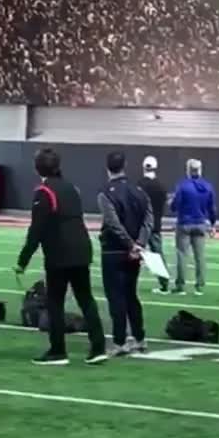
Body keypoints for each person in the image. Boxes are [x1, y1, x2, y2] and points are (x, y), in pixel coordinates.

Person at [14, 148, 107, 366]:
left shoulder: (44, 192)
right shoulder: (71, 188)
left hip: (60, 254)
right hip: (82, 249)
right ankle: (98, 347)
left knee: (54, 302)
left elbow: (36, 230)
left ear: (38, 168)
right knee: (86, 299)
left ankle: (58, 351)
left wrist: (22, 261)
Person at [97, 151, 154, 356]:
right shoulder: (139, 191)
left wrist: (130, 244)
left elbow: (112, 223)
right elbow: (149, 220)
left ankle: (120, 341)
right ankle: (140, 338)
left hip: (113, 251)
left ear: (107, 168)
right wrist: (139, 244)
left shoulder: (105, 193)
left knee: (116, 298)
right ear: (125, 166)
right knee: (131, 296)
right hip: (134, 254)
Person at [171, 158, 217, 296]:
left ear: (188, 170)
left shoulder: (183, 186)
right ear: (200, 170)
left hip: (184, 223)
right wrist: (213, 224)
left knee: (181, 255)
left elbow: (175, 206)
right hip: (200, 223)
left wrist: (172, 203)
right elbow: (212, 208)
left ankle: (180, 286)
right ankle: (200, 287)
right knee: (200, 257)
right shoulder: (208, 187)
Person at [136, 155, 172, 294]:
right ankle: (164, 284)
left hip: (139, 226)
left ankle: (130, 283)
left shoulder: (139, 185)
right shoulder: (161, 187)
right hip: (155, 225)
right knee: (157, 254)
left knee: (135, 254)